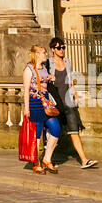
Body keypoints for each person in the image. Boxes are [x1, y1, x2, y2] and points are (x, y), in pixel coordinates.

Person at [44, 39, 98, 169]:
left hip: (68, 101)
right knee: (52, 132)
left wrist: (74, 93)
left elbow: (70, 79)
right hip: (55, 103)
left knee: (74, 131)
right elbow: (42, 79)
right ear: (52, 49)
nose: (61, 50)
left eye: (63, 47)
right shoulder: (48, 63)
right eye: (58, 48)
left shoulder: (67, 62)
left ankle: (84, 160)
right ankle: (46, 160)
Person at [22, 44, 61, 174]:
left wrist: (51, 78)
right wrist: (26, 109)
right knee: (37, 133)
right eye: (43, 53)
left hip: (46, 102)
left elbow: (45, 82)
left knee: (56, 128)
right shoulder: (29, 69)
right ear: (37, 54)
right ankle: (36, 162)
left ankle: (47, 158)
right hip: (35, 103)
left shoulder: (44, 68)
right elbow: (26, 90)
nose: (46, 54)